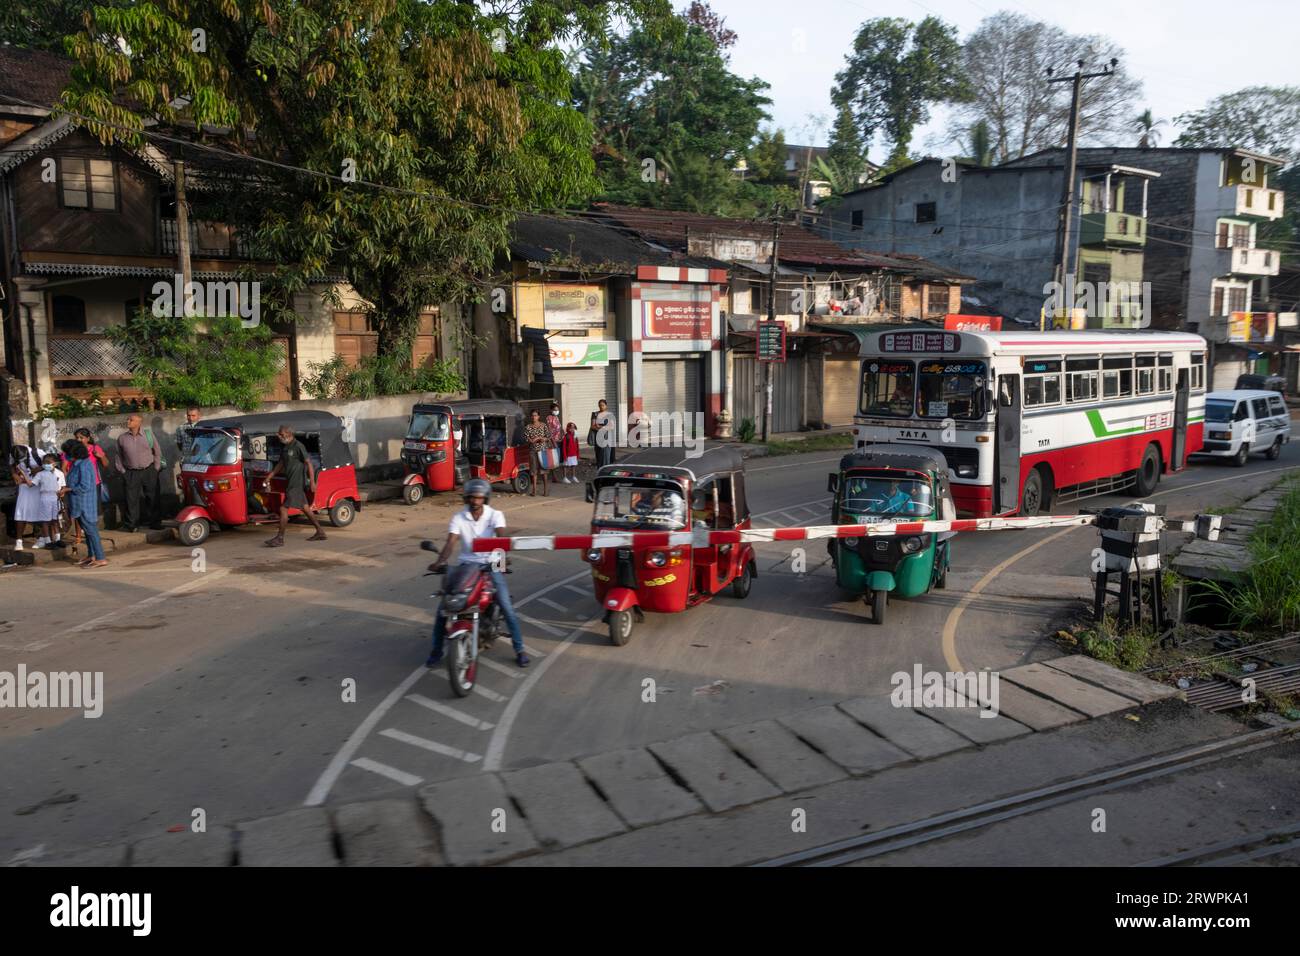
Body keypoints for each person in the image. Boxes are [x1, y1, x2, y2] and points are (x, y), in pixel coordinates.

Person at [426, 478, 528, 668]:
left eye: (479, 498)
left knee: (506, 606)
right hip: (466, 566)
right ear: (466, 498)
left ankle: (519, 649)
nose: (475, 501)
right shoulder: (458, 517)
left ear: (485, 498)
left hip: (491, 565)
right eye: (471, 497)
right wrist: (439, 561)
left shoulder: (495, 515)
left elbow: (501, 537)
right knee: (444, 608)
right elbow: (450, 543)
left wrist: (503, 557)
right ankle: (436, 650)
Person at [263, 425, 328, 547]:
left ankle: (280, 538)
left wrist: (313, 481)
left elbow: (308, 463)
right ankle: (320, 532)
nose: (279, 435)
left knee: (283, 509)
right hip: (291, 482)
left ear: (288, 433)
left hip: (296, 483)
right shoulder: (285, 447)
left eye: (281, 434)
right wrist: (269, 477)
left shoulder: (298, 446)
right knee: (305, 508)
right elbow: (280, 464)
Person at [114, 413, 163, 532]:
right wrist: (123, 471)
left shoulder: (148, 435)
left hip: (149, 470)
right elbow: (118, 456)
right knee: (131, 499)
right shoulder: (122, 438)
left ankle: (154, 522)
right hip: (131, 472)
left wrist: (156, 468)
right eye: (128, 419)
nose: (128, 421)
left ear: (139, 422)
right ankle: (132, 524)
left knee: (152, 497)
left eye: (131, 420)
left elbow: (157, 451)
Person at [64, 440, 107, 568]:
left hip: (85, 503)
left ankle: (100, 558)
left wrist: (68, 489)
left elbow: (85, 486)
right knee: (87, 531)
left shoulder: (84, 465)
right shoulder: (76, 464)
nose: (65, 456)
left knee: (91, 531)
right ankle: (91, 555)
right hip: (78, 503)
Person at [10, 446, 44, 550]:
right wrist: (14, 475)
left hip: (38, 485)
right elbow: (12, 466)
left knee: (39, 511)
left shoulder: (38, 452)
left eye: (23, 459)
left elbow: (51, 464)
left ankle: (41, 538)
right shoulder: (13, 453)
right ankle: (19, 541)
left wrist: (38, 469)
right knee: (20, 511)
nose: (21, 461)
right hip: (24, 485)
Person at [30, 454, 64, 548]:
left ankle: (57, 539)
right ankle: (48, 541)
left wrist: (62, 492)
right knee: (45, 521)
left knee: (55, 520)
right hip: (45, 498)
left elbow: (62, 486)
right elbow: (31, 484)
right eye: (44, 462)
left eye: (48, 462)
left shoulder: (57, 473)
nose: (46, 464)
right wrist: (24, 476)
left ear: (55, 463)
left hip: (55, 498)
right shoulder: (40, 474)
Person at [523, 408, 550, 498]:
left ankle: (545, 491)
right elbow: (526, 438)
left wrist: (542, 439)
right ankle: (534, 491)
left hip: (543, 450)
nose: (534, 417)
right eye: (533, 415)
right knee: (533, 471)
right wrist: (532, 440)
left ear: (538, 416)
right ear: (531, 416)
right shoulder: (528, 427)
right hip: (533, 451)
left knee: (544, 471)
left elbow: (548, 436)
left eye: (536, 415)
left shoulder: (543, 425)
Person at [589, 399, 616, 468]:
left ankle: (606, 470)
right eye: (600, 405)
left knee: (607, 456)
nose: (601, 407)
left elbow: (612, 426)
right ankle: (600, 470)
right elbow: (593, 426)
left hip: (607, 438)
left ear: (606, 406)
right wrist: (604, 427)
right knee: (599, 456)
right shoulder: (595, 414)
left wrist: (600, 427)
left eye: (603, 405)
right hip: (598, 438)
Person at [544, 403, 563, 483]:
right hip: (552, 441)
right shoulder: (549, 418)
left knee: (557, 459)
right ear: (551, 410)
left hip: (558, 440)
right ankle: (553, 477)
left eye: (557, 410)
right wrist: (553, 442)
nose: (556, 411)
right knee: (552, 459)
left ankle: (554, 477)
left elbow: (559, 429)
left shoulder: (556, 417)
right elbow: (549, 431)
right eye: (555, 410)